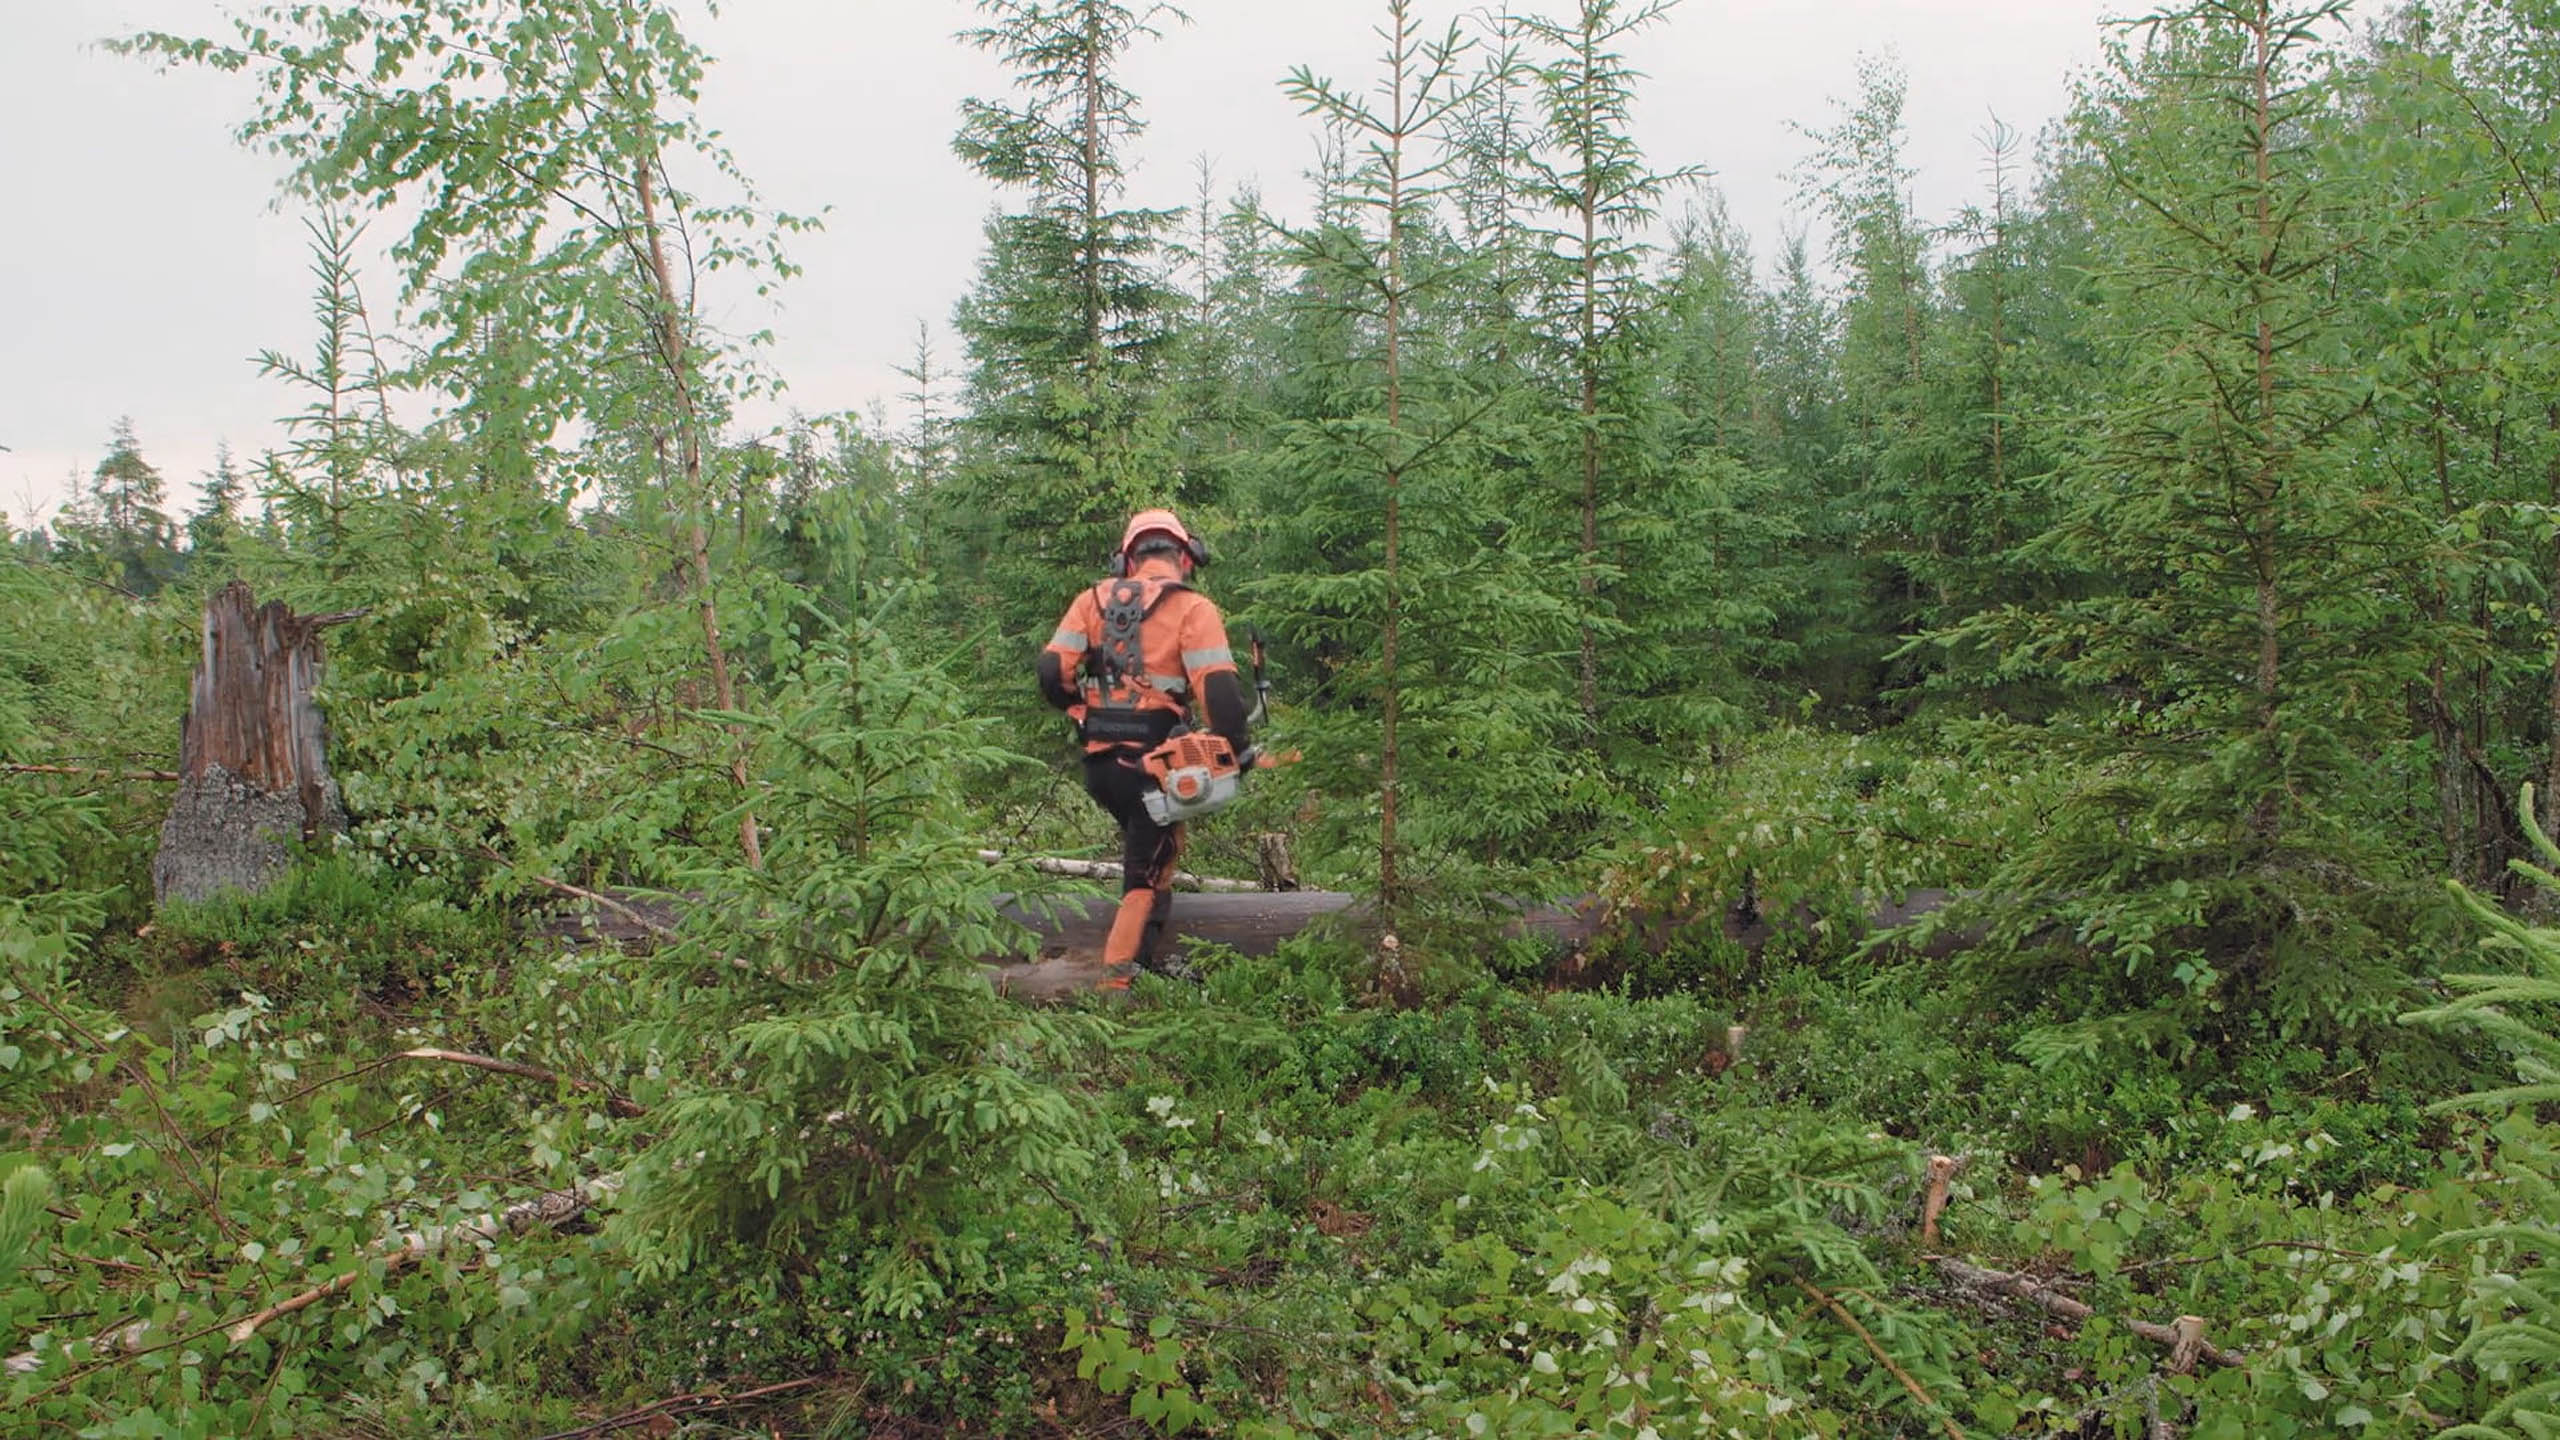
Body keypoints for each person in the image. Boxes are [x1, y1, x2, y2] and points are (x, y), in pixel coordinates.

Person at [1038, 509, 1252, 981]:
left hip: (1100, 766)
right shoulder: (1192, 609)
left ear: (1128, 561)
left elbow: (1052, 671)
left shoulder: (1089, 601)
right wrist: (1234, 751)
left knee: (1158, 848)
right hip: (1155, 765)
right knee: (1145, 874)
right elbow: (1220, 694)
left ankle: (1146, 962)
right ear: (1187, 557)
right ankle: (1119, 982)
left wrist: (1081, 711)